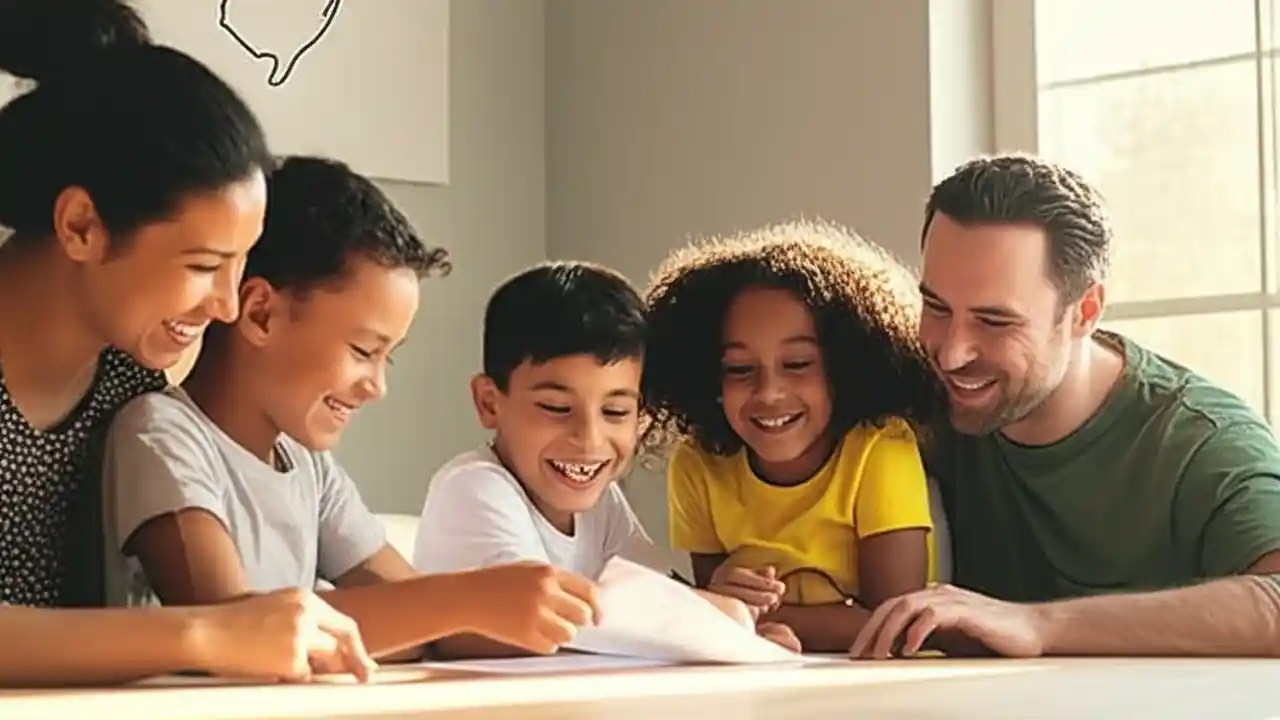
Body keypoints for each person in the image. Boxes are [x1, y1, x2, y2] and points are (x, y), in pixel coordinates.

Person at [0, 0, 373, 684]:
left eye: (240, 263)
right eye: (203, 266)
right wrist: (203, 633)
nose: (227, 304)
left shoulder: (131, 389)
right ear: (82, 225)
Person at [103, 157, 602, 661]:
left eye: (389, 357)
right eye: (364, 351)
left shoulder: (309, 468)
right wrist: (462, 600)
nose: (377, 386)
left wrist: (508, 608)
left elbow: (422, 624)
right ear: (261, 314)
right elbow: (233, 627)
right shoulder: (160, 435)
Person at [852, 153, 1280, 659]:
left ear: (1085, 312)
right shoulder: (914, 402)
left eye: (994, 322)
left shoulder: (1201, 441)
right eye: (937, 308)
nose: (951, 352)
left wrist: (1039, 625)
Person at [414, 261, 798, 658]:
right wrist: (723, 614)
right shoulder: (475, 486)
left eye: (615, 412)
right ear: (489, 403)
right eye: (555, 407)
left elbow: (659, 595)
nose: (589, 439)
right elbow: (539, 617)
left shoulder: (603, 504)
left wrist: (730, 618)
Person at [641, 219, 949, 652]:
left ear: (844, 366)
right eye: (739, 369)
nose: (769, 392)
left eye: (799, 364)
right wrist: (720, 598)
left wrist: (733, 610)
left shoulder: (881, 449)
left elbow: (893, 623)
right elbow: (719, 611)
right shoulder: (696, 465)